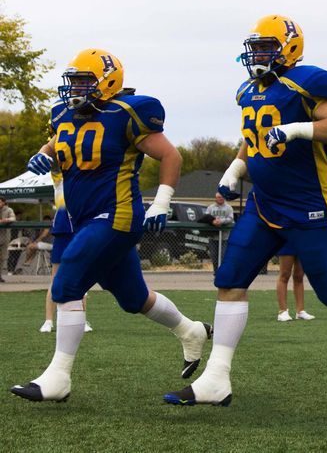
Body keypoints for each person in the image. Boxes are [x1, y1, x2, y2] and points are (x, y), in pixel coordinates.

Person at [165, 15, 327, 407]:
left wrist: (299, 129)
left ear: (289, 47)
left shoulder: (307, 81)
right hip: (263, 204)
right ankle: (217, 379)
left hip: (308, 206)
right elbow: (253, 139)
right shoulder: (248, 90)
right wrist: (235, 168)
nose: (258, 55)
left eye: (266, 47)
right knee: (230, 280)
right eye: (255, 48)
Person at [11, 49, 210, 403]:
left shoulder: (126, 113)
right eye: (73, 82)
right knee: (133, 298)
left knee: (68, 277)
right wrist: (45, 152)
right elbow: (61, 139)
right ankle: (190, 329)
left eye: (85, 82)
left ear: (107, 82)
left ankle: (58, 377)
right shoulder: (63, 113)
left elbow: (170, 155)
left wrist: (161, 202)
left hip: (116, 215)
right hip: (82, 217)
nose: (75, 90)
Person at [37, 167, 92, 334]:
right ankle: (48, 320)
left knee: (81, 278)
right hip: (62, 233)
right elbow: (54, 163)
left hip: (80, 232)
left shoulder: (86, 181)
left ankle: (82, 320)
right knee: (56, 278)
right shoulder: (59, 177)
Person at [275, 243, 314, 321]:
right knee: (284, 275)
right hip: (286, 241)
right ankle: (282, 311)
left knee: (299, 276)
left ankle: (300, 311)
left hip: (301, 241)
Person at [204, 196, 235, 275]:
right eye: (218, 197)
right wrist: (213, 221)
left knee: (223, 256)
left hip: (225, 237)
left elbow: (231, 218)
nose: (220, 199)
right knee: (214, 257)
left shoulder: (229, 208)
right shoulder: (210, 207)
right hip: (213, 237)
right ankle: (216, 272)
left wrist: (221, 221)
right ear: (215, 198)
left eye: (221, 197)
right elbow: (206, 217)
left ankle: (223, 272)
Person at [0, 196, 15, 281]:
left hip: (4, 238)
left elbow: (13, 218)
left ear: (3, 202)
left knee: (2, 258)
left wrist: (6, 220)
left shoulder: (8, 210)